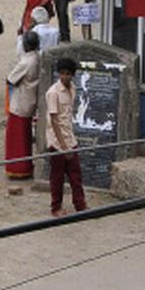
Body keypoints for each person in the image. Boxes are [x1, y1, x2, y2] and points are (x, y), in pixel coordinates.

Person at [46, 57, 87, 216]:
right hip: (57, 142)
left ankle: (80, 205)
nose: (65, 77)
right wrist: (63, 147)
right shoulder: (53, 93)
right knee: (57, 177)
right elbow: (54, 121)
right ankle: (56, 207)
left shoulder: (73, 89)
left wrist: (69, 143)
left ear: (72, 75)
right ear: (58, 74)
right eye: (62, 73)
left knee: (76, 175)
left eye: (68, 74)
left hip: (69, 137)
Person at [5, 32, 41, 180]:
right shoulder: (38, 57)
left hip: (21, 102)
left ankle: (18, 168)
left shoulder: (25, 62)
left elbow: (11, 80)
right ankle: (25, 166)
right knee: (25, 136)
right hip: (32, 99)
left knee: (17, 138)